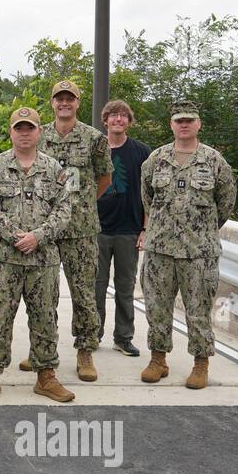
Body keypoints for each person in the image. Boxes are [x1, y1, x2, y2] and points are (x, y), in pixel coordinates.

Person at [0, 107, 76, 403]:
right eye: (19, 128)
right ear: (11, 132)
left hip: (42, 260)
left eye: (30, 128)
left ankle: (46, 376)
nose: (24, 133)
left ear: (39, 132)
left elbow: (65, 209)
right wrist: (16, 236)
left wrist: (37, 237)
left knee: (45, 318)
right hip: (3, 259)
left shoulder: (56, 170)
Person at [138, 100, 236, 389]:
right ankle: (158, 359)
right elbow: (147, 197)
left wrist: (201, 230)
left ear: (198, 124)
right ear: (171, 124)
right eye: (179, 120)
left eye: (189, 120)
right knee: (157, 307)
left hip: (199, 252)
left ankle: (200, 363)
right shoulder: (156, 159)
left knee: (198, 309)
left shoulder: (214, 161)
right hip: (160, 249)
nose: (184, 124)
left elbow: (226, 203)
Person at [36, 80, 112, 382]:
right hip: (47, 231)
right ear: (52, 102)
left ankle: (85, 352)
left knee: (84, 295)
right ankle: (42, 352)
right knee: (44, 295)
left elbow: (104, 177)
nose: (64, 103)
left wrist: (79, 205)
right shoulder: (39, 135)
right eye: (59, 99)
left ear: (78, 103)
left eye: (70, 98)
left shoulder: (94, 138)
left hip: (81, 230)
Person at [95, 99, 150, 357]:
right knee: (94, 286)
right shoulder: (94, 148)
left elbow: (151, 194)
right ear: (104, 120)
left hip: (129, 230)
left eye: (123, 116)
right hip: (97, 229)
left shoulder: (141, 152)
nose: (118, 119)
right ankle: (92, 335)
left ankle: (123, 337)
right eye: (113, 115)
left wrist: (145, 229)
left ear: (129, 121)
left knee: (125, 288)